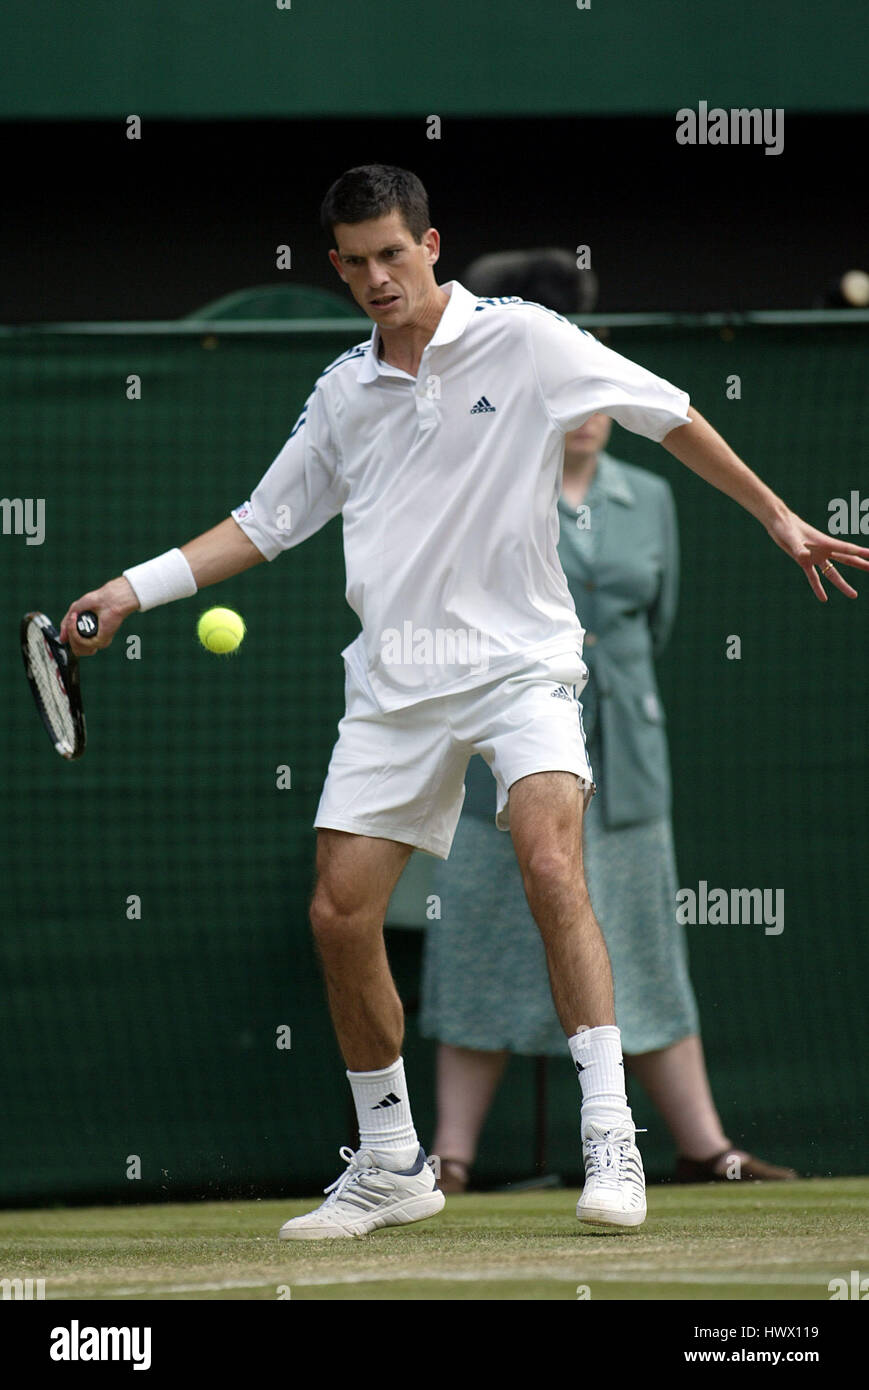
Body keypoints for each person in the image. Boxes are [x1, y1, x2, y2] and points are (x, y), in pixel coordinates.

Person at [60, 165, 867, 1240]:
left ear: (430, 244)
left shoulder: (526, 339)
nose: (376, 279)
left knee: (547, 861)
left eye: (393, 254)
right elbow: (263, 521)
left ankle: (610, 1138)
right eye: (354, 263)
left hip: (518, 664)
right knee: (339, 914)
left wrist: (775, 515)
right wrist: (130, 589)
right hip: (394, 685)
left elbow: (665, 413)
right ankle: (392, 1160)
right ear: (338, 266)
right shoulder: (343, 391)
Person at [422, 411, 798, 1192]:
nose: (587, 418)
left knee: (644, 950)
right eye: (567, 401)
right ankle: (449, 1158)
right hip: (503, 748)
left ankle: (703, 1147)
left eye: (600, 400)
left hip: (624, 756)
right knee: (479, 940)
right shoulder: (489, 490)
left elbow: (651, 623)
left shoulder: (651, 494)